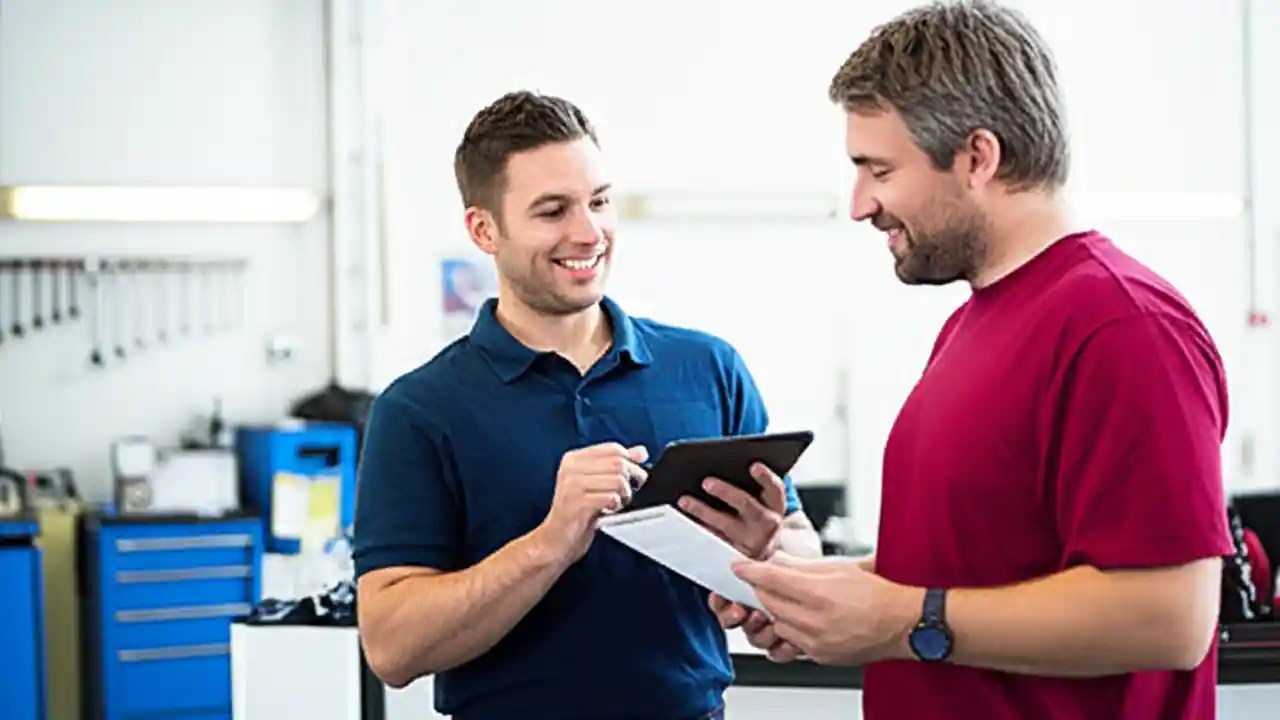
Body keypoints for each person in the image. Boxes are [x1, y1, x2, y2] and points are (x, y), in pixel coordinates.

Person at [721, 2, 1233, 719]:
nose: (860, 204)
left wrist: (900, 621)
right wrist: (822, 602)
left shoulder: (1122, 325)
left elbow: (1170, 616)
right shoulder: (971, 323)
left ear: (976, 158)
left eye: (878, 169)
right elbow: (970, 572)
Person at [353, 90, 822, 720]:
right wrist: (551, 541)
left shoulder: (707, 368)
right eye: (552, 211)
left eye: (599, 202)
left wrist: (767, 558)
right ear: (483, 229)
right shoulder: (418, 411)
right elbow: (391, 646)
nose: (588, 232)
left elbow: (797, 540)